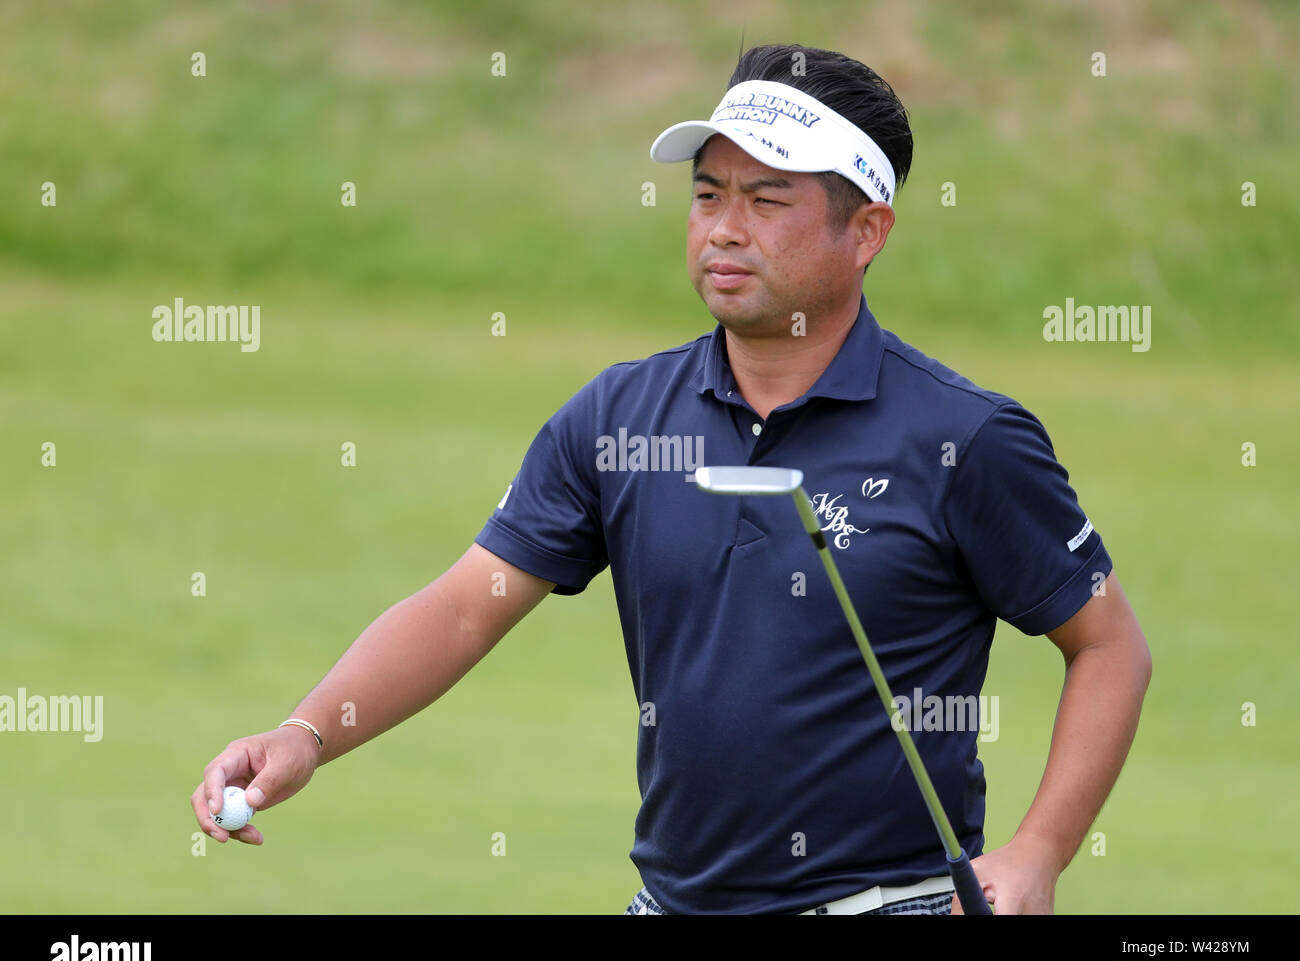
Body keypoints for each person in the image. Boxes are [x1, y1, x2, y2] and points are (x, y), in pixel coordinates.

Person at [190, 44, 1151, 915]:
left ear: (867, 231)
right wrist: (305, 733)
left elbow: (1109, 645)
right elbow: (461, 610)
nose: (725, 229)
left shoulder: (964, 437)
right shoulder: (618, 417)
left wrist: (1039, 851)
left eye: (767, 200)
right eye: (707, 195)